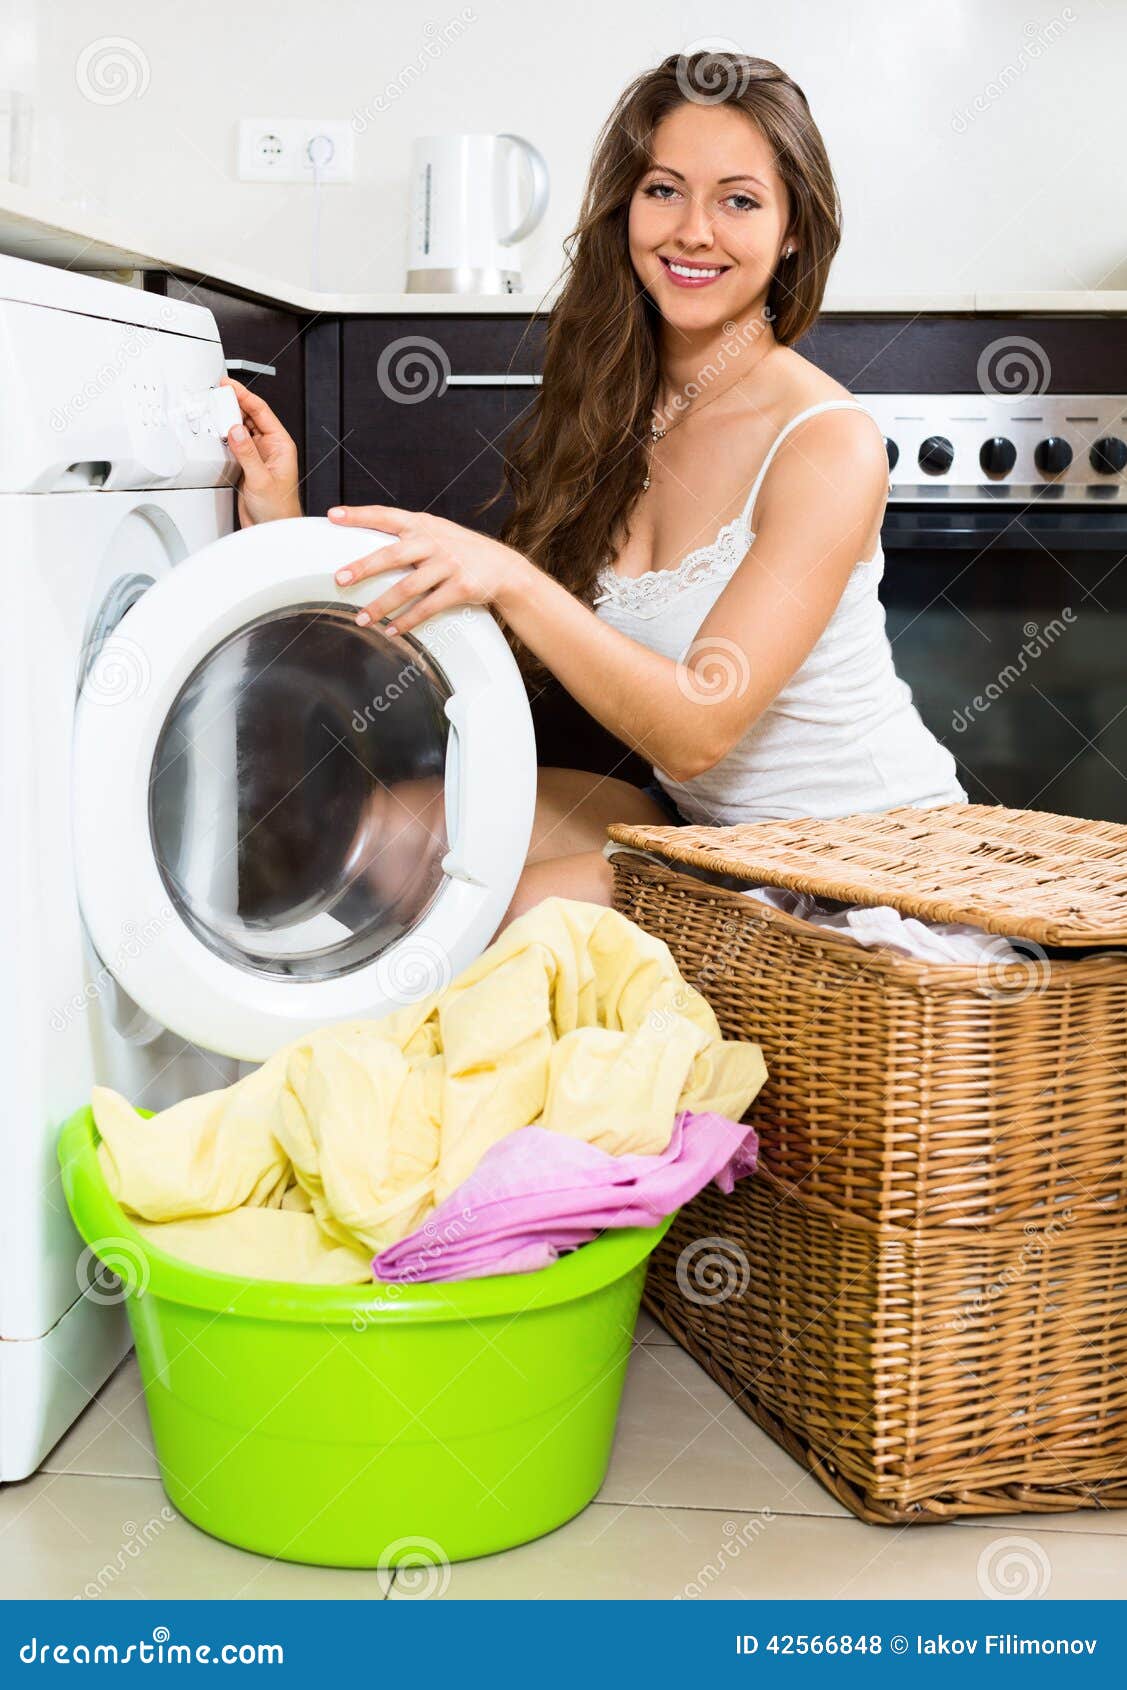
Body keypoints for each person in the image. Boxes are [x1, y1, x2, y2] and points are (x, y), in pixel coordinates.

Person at [223, 50, 965, 930]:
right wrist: (282, 525)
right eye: (662, 190)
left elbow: (697, 730)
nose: (693, 230)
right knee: (389, 836)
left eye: (738, 199)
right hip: (710, 830)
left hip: (854, 860)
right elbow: (472, 627)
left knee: (500, 915)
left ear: (792, 230)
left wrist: (509, 574)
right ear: (623, 208)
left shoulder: (826, 443)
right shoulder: (617, 407)